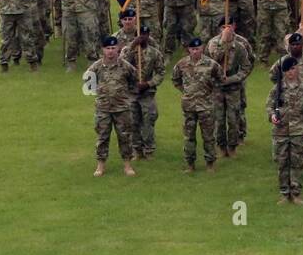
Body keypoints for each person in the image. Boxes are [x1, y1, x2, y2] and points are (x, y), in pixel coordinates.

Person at [86, 35, 138, 177]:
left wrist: (127, 98)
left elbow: (134, 83)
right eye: (108, 48)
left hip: (122, 109)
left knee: (125, 137)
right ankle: (100, 165)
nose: (110, 51)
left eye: (113, 48)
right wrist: (100, 97)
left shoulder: (126, 67)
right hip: (103, 109)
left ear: (118, 49)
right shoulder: (95, 67)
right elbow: (88, 86)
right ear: (103, 49)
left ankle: (127, 165)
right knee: (102, 137)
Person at [170, 36, 223, 173]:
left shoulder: (211, 64)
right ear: (189, 49)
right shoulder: (182, 64)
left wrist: (211, 91)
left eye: (198, 48)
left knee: (209, 137)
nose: (195, 51)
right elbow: (175, 79)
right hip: (189, 106)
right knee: (189, 137)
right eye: (193, 49)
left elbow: (220, 79)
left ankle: (210, 163)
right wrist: (186, 91)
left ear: (202, 48)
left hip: (206, 106)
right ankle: (190, 164)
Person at [268, 55, 303, 205]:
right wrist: (272, 116)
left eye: (293, 69)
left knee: (297, 163)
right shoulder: (278, 88)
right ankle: (284, 193)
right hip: (281, 131)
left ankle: (296, 193)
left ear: (298, 69)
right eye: (287, 70)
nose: (290, 72)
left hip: (299, 129)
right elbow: (269, 106)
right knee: (282, 163)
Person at [205, 18, 253, 157]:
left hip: (233, 87)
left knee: (233, 118)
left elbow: (246, 67)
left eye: (229, 26)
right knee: (219, 119)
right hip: (217, 87)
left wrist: (233, 79)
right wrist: (224, 44)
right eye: (224, 27)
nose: (227, 29)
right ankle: (221, 146)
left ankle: (232, 146)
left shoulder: (239, 46)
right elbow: (214, 58)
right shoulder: (213, 43)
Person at [122, 23, 167, 159]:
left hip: (147, 92)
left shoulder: (154, 53)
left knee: (148, 121)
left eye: (145, 35)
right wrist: (133, 46)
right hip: (132, 92)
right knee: (133, 121)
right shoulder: (129, 50)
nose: (142, 37)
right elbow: (121, 64)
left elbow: (161, 72)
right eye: (140, 35)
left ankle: (149, 149)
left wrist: (149, 83)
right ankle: (137, 150)